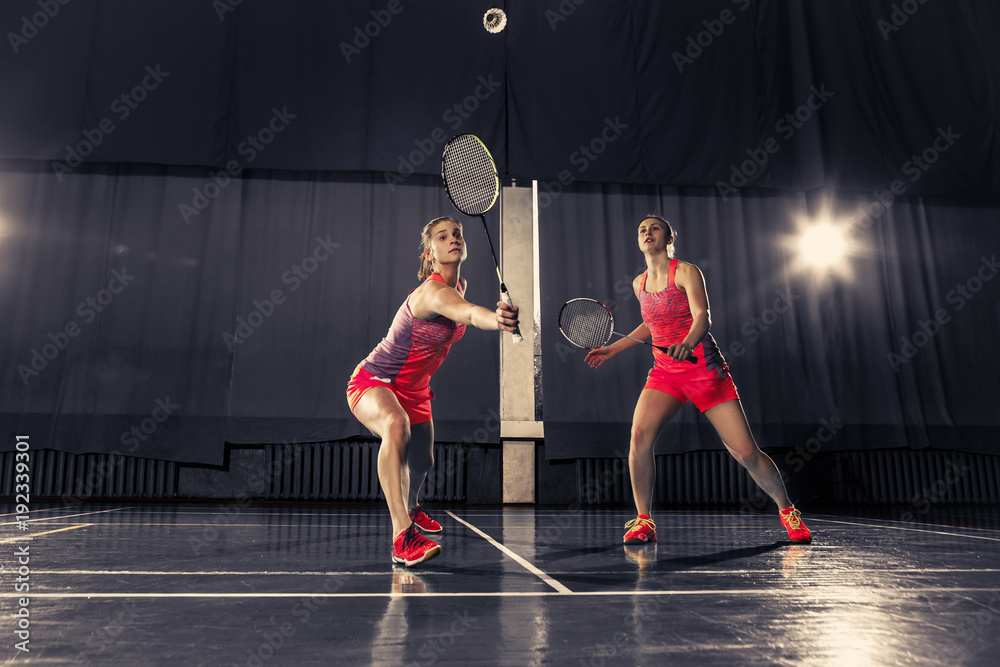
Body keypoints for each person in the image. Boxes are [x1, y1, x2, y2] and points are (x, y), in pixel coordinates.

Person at [584, 215, 811, 545]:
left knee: (746, 452)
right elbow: (651, 324)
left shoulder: (687, 271)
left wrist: (687, 343)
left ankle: (787, 511)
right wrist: (613, 349)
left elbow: (702, 315)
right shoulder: (639, 283)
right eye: (642, 230)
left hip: (703, 368)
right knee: (638, 438)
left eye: (654, 228)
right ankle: (644, 521)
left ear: (669, 237)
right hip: (665, 373)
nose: (647, 233)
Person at [347, 216, 519, 566]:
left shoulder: (461, 285)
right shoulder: (433, 291)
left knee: (423, 461)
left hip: (415, 389)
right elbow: (469, 314)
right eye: (443, 236)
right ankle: (401, 536)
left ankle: (413, 506)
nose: (453, 239)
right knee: (397, 428)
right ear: (430, 253)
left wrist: (421, 381)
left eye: (457, 234)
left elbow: (453, 321)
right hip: (376, 380)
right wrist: (496, 319)